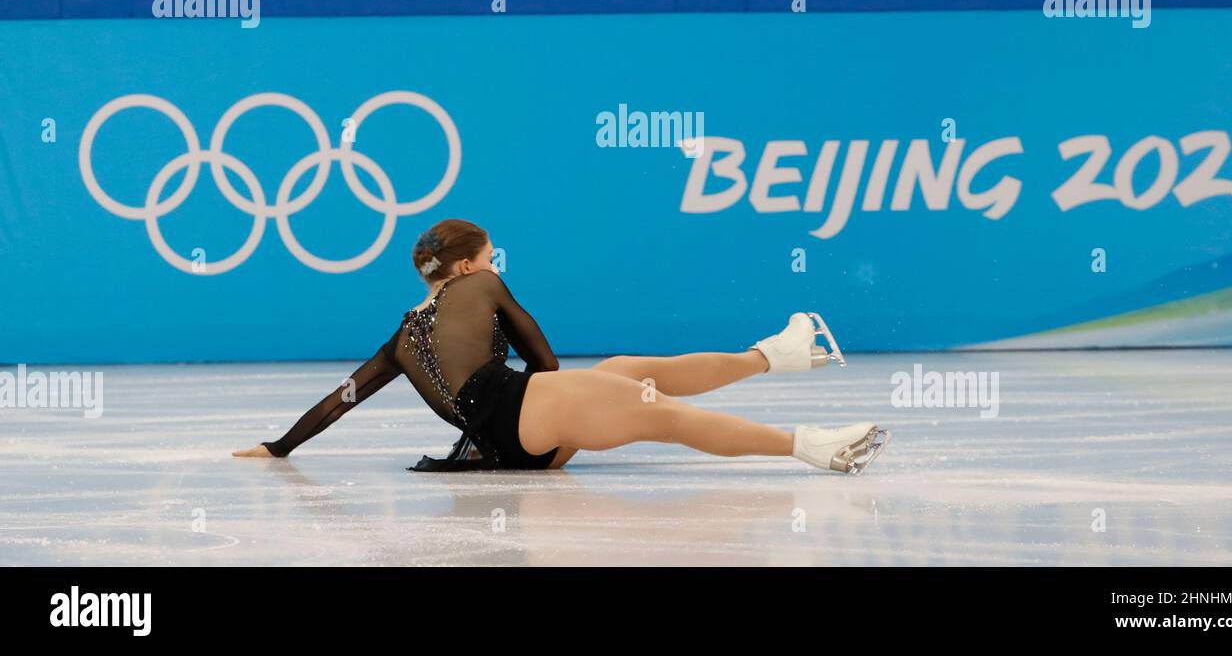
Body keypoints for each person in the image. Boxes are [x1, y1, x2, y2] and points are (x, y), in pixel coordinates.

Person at [233, 218, 890, 474]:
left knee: (628, 371)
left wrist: (280, 446)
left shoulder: (401, 338)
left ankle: (774, 355)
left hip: (509, 437)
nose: (494, 261)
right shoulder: (483, 284)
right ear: (466, 266)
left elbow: (341, 398)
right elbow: (541, 355)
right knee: (655, 408)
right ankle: (809, 446)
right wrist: (567, 396)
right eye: (489, 254)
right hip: (526, 412)